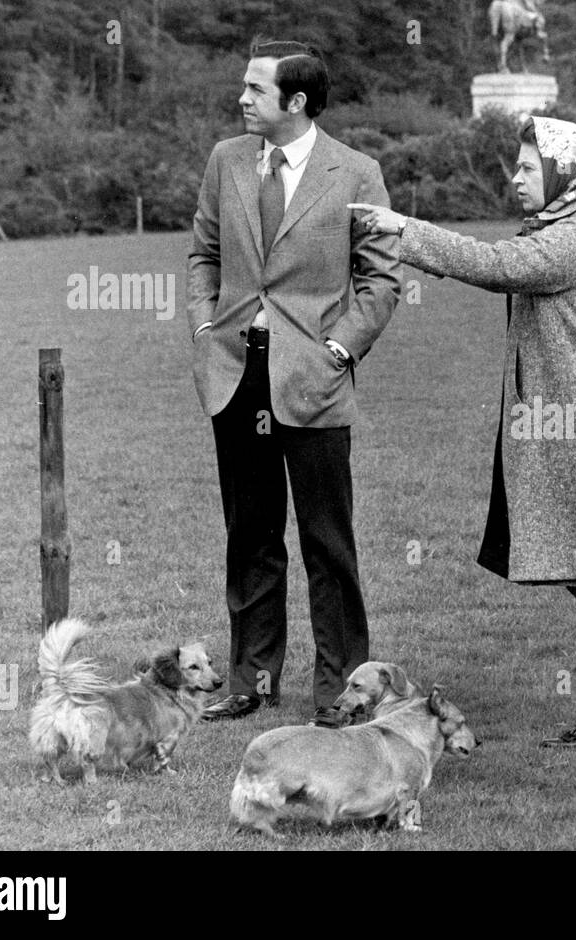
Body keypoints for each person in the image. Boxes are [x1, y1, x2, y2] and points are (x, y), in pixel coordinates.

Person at [350, 116, 576, 747]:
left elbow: (496, 265)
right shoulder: (569, 227)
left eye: (528, 168)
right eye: (517, 168)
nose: (516, 179)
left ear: (563, 172)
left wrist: (403, 231)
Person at [187, 39, 401, 727]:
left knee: (327, 543)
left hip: (315, 381)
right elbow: (204, 254)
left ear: (297, 101)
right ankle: (251, 678)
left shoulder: (357, 172)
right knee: (249, 536)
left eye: (254, 89)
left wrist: (340, 347)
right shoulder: (226, 159)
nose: (241, 99)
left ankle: (343, 688)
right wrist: (204, 327)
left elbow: (380, 276)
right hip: (235, 377)